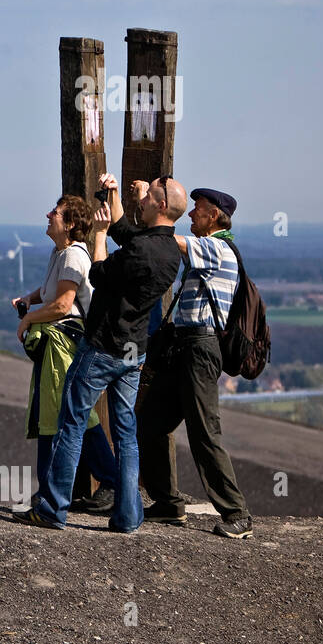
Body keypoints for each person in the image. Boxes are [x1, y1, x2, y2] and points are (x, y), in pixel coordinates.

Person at [13, 173, 186, 532]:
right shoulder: (169, 250)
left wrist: (102, 235)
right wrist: (117, 194)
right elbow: (129, 231)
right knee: (125, 433)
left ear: (161, 205)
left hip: (104, 345)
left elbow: (101, 272)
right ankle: (128, 516)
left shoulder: (138, 249)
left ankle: (52, 508)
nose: (143, 198)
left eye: (149, 195)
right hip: (134, 351)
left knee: (70, 422)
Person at [137, 188, 254, 538]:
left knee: (204, 432)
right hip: (183, 346)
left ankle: (237, 513)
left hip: (201, 347)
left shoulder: (218, 248)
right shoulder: (212, 249)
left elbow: (172, 242)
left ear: (214, 216)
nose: (191, 215)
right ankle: (167, 503)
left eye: (197, 210)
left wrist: (156, 209)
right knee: (151, 423)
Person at [12, 195, 120, 513]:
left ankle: (61, 490)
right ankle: (67, 487)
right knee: (68, 413)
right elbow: (52, 293)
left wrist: (29, 319)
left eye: (55, 213)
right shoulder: (60, 253)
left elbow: (62, 305)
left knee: (60, 415)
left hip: (66, 344)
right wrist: (29, 300)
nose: (48, 215)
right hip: (60, 343)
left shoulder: (73, 255)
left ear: (70, 223)